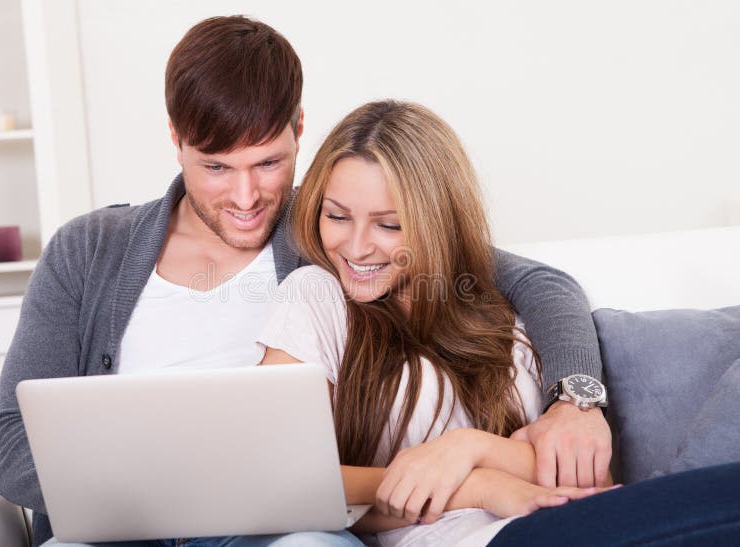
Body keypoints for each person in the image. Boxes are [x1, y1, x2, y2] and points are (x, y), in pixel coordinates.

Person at [0, 15, 607, 547]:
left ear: (299, 129)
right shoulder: (88, 251)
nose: (247, 197)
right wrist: (170, 492)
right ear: (175, 140)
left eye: (268, 163)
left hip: (283, 527)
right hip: (115, 531)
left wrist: (575, 398)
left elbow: (538, 281)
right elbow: (7, 447)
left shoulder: (333, 223)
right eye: (217, 167)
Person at [257, 100, 740, 546]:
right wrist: (480, 486)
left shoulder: (500, 306)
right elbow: (281, 480)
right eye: (337, 216)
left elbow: (581, 470)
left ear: (438, 222)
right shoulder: (314, 296)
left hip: (571, 519)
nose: (357, 247)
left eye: (390, 225)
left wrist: (468, 449)